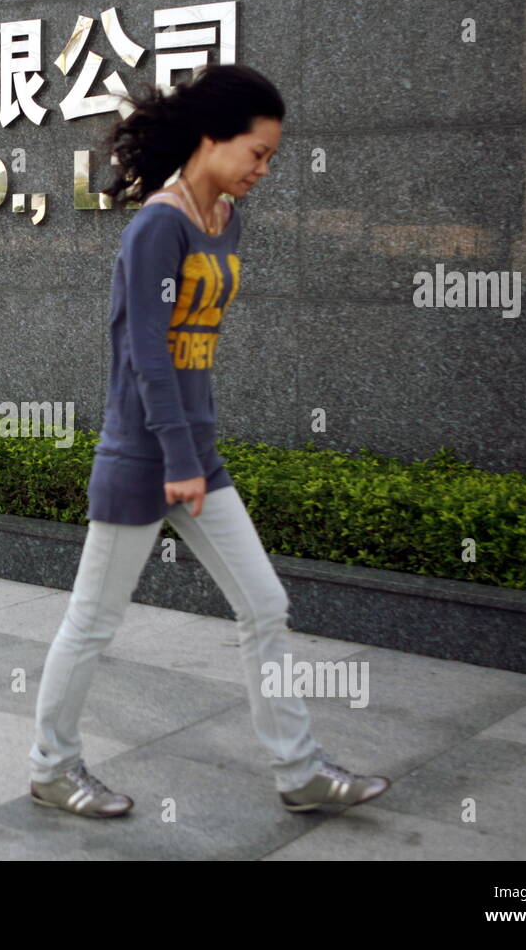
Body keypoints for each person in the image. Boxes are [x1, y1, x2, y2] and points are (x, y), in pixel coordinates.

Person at [27, 64, 391, 818]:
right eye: (256, 153)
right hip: (143, 459)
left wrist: (198, 452)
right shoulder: (159, 227)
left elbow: (196, 351)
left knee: (264, 603)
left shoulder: (225, 220)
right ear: (210, 139)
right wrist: (180, 458)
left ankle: (299, 772)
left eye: (271, 158)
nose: (264, 169)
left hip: (196, 456)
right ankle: (53, 767)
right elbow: (146, 354)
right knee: (93, 623)